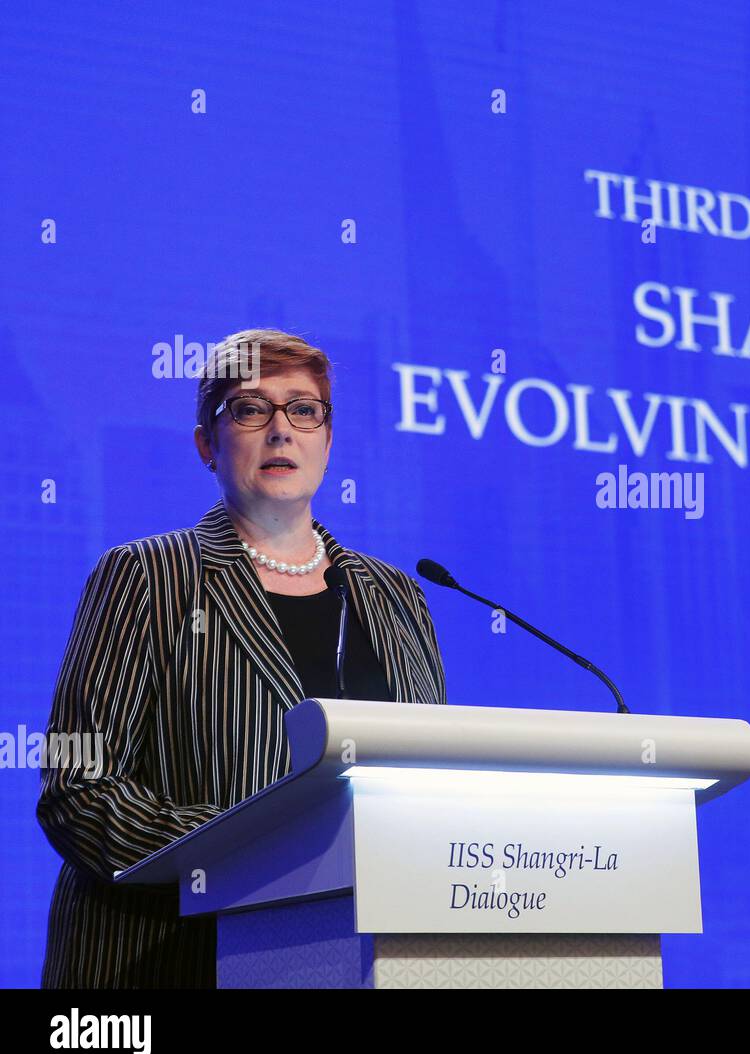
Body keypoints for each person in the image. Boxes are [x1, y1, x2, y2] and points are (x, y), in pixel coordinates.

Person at [36, 329, 446, 988]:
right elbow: (78, 792)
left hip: (358, 960)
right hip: (168, 964)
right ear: (208, 443)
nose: (282, 430)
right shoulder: (146, 576)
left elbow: (427, 783)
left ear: (328, 438)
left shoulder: (397, 597)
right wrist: (259, 847)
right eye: (251, 409)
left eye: (303, 409)